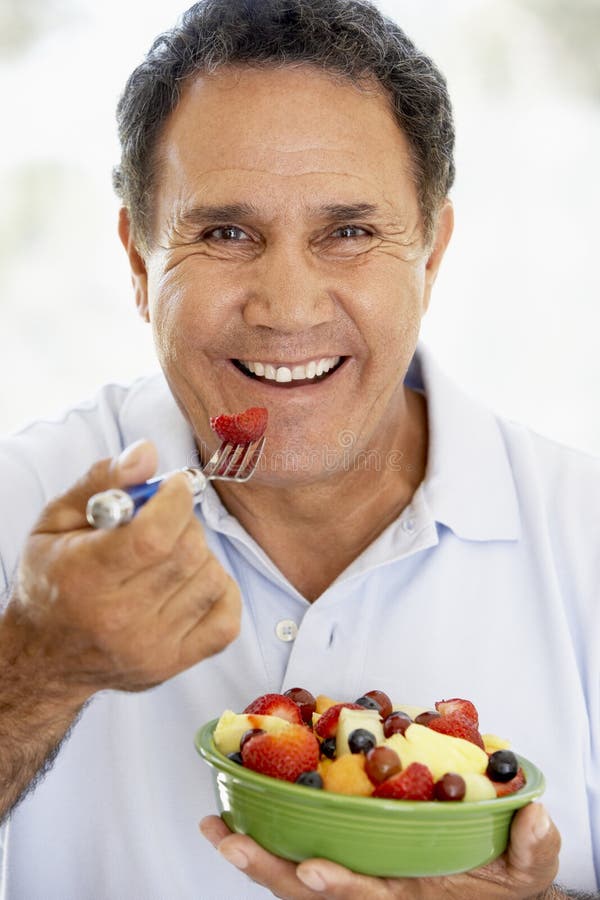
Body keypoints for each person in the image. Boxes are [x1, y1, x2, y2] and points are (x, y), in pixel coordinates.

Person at [0, 0, 598, 897]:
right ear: (137, 261)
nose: (286, 306)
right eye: (226, 233)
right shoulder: (25, 506)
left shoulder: (582, 532)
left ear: (431, 254)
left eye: (349, 232)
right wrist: (38, 670)